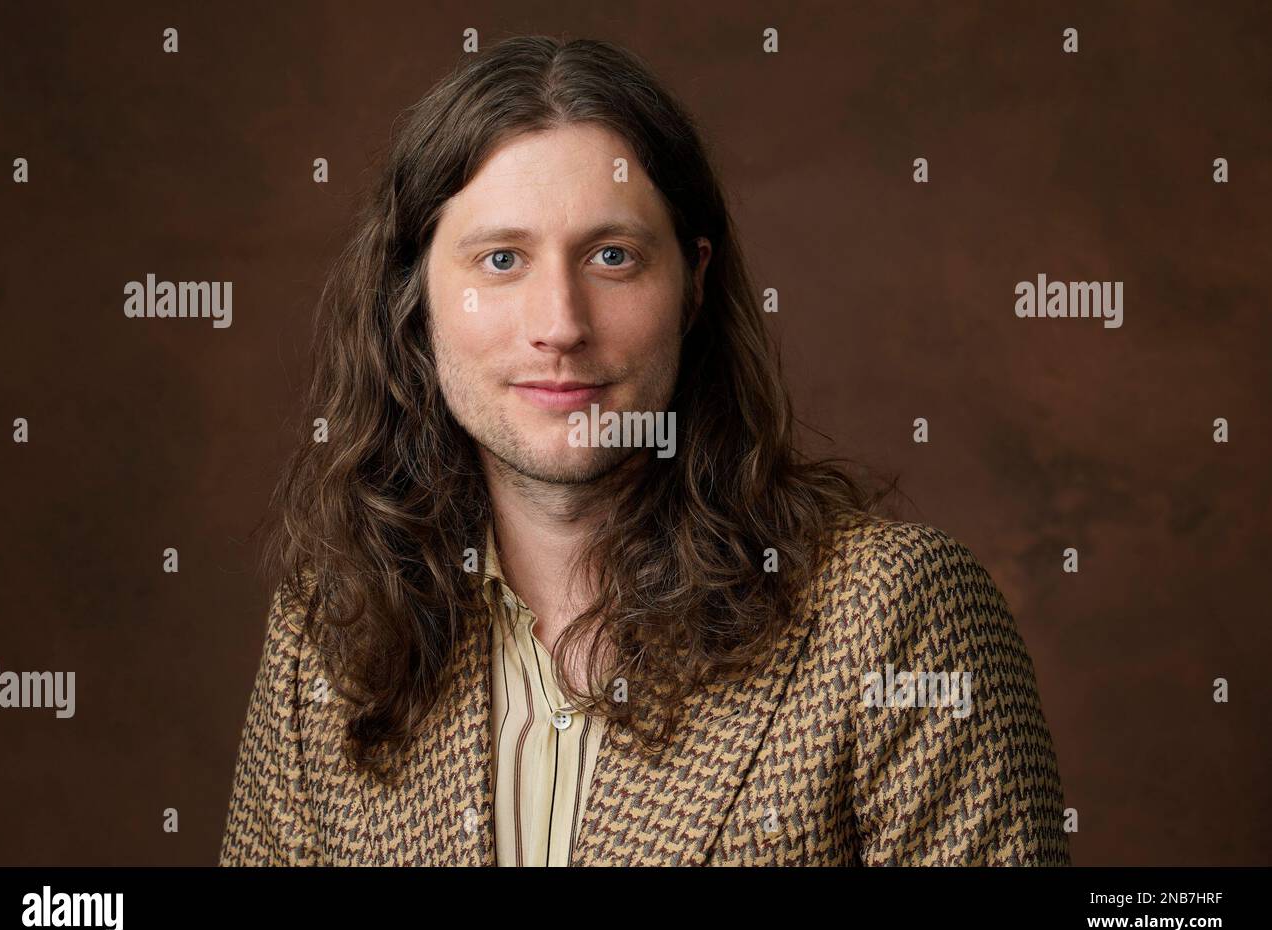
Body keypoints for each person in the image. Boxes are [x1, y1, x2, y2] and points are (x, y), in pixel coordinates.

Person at [219, 34, 1070, 867]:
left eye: (613, 256)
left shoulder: (894, 615)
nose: (560, 324)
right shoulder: (324, 636)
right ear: (415, 298)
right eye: (502, 259)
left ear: (694, 283)